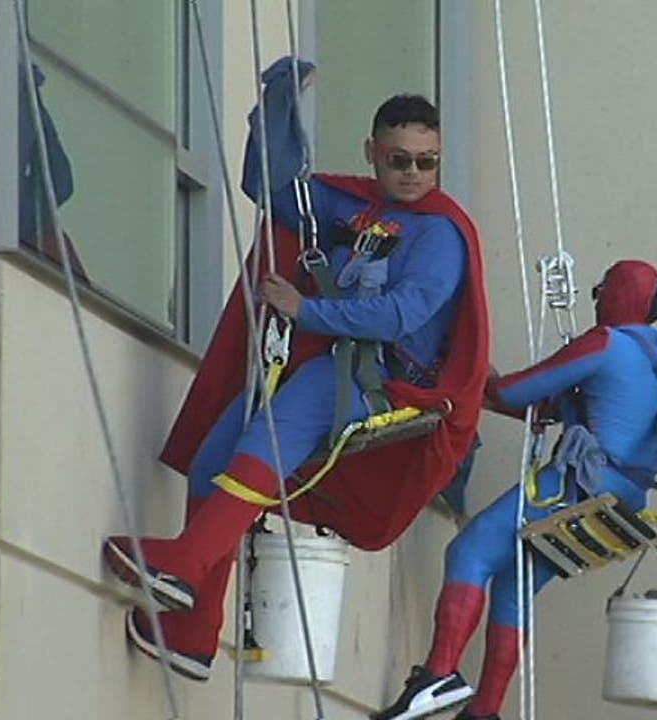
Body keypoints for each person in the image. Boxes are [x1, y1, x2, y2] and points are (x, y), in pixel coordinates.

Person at [102, 60, 490, 684]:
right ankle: (194, 630)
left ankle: (185, 564)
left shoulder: (442, 234)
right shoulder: (351, 203)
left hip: (375, 380)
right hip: (318, 362)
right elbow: (274, 185)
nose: (412, 173)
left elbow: (403, 312)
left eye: (426, 161)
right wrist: (276, 108)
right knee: (214, 461)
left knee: (268, 439)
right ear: (374, 152)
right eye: (399, 160)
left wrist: (305, 308)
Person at [373, 260, 657, 720]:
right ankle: (486, 710)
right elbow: (550, 408)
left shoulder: (605, 343)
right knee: (515, 585)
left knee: (470, 552)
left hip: (578, 484)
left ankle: (440, 675)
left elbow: (518, 393)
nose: (595, 300)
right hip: (623, 498)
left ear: (614, 295)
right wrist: (489, 392)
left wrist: (477, 377)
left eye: (601, 290)